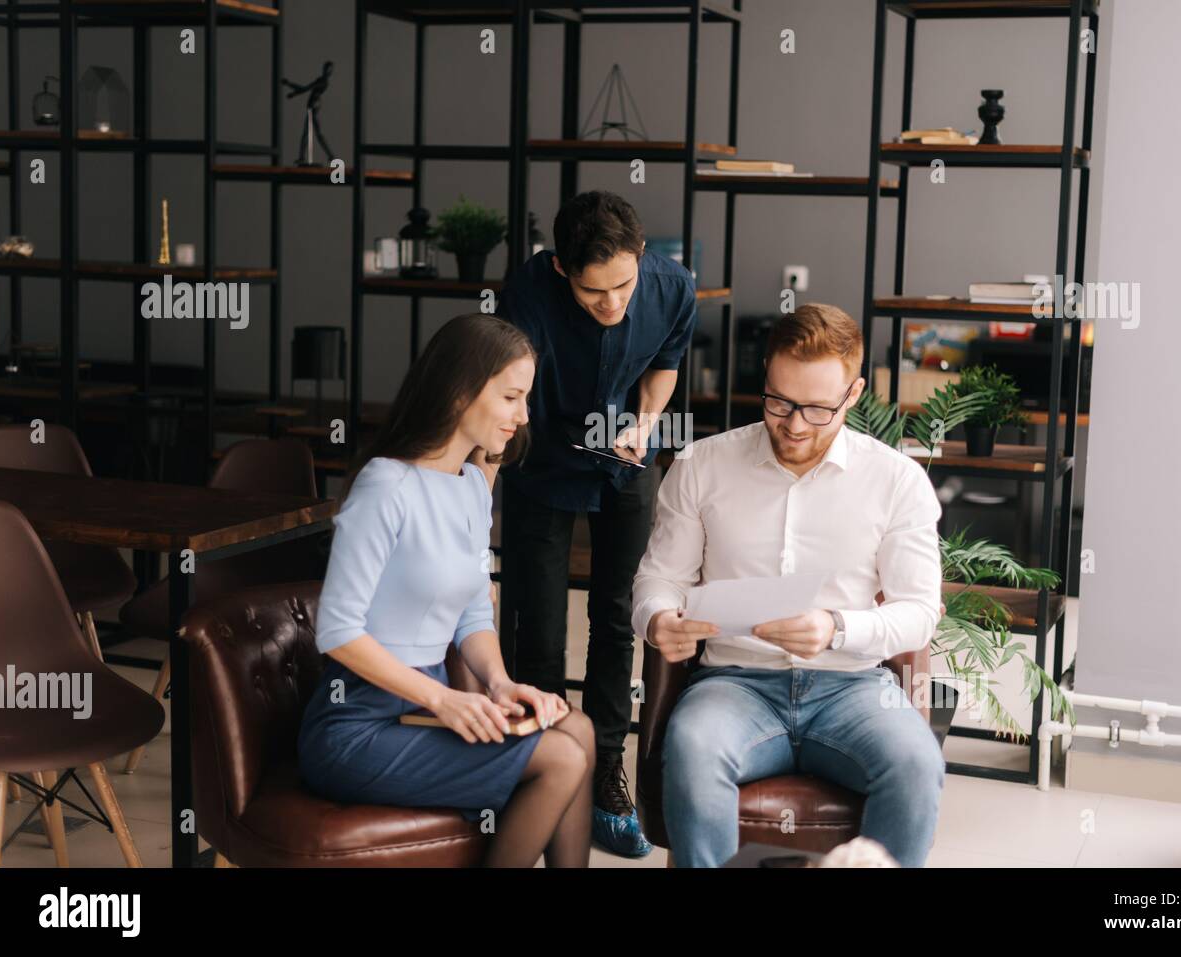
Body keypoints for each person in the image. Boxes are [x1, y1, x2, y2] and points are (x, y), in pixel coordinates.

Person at [632, 303, 946, 868]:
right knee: (694, 747)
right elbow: (661, 576)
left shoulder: (896, 481)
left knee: (916, 763)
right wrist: (659, 619)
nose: (795, 424)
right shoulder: (703, 465)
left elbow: (920, 611)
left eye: (818, 409)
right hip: (733, 684)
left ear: (853, 395)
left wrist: (837, 628)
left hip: (852, 687)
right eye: (779, 402)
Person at [298, 313, 596, 868]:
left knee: (577, 727)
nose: (523, 415)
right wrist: (443, 698)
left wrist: (500, 684)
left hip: (428, 704)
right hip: (357, 725)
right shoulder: (385, 486)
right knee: (559, 758)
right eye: (511, 396)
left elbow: (470, 617)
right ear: (461, 391)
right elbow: (337, 631)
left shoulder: (470, 490)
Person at [496, 190, 697, 857]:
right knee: (540, 621)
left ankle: (606, 768)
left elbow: (665, 363)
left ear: (641, 257)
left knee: (619, 612)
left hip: (627, 461)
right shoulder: (524, 293)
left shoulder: (673, 287)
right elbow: (508, 389)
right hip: (544, 457)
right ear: (560, 270)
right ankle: (548, 772)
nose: (612, 304)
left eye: (623, 286)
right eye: (593, 292)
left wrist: (641, 425)